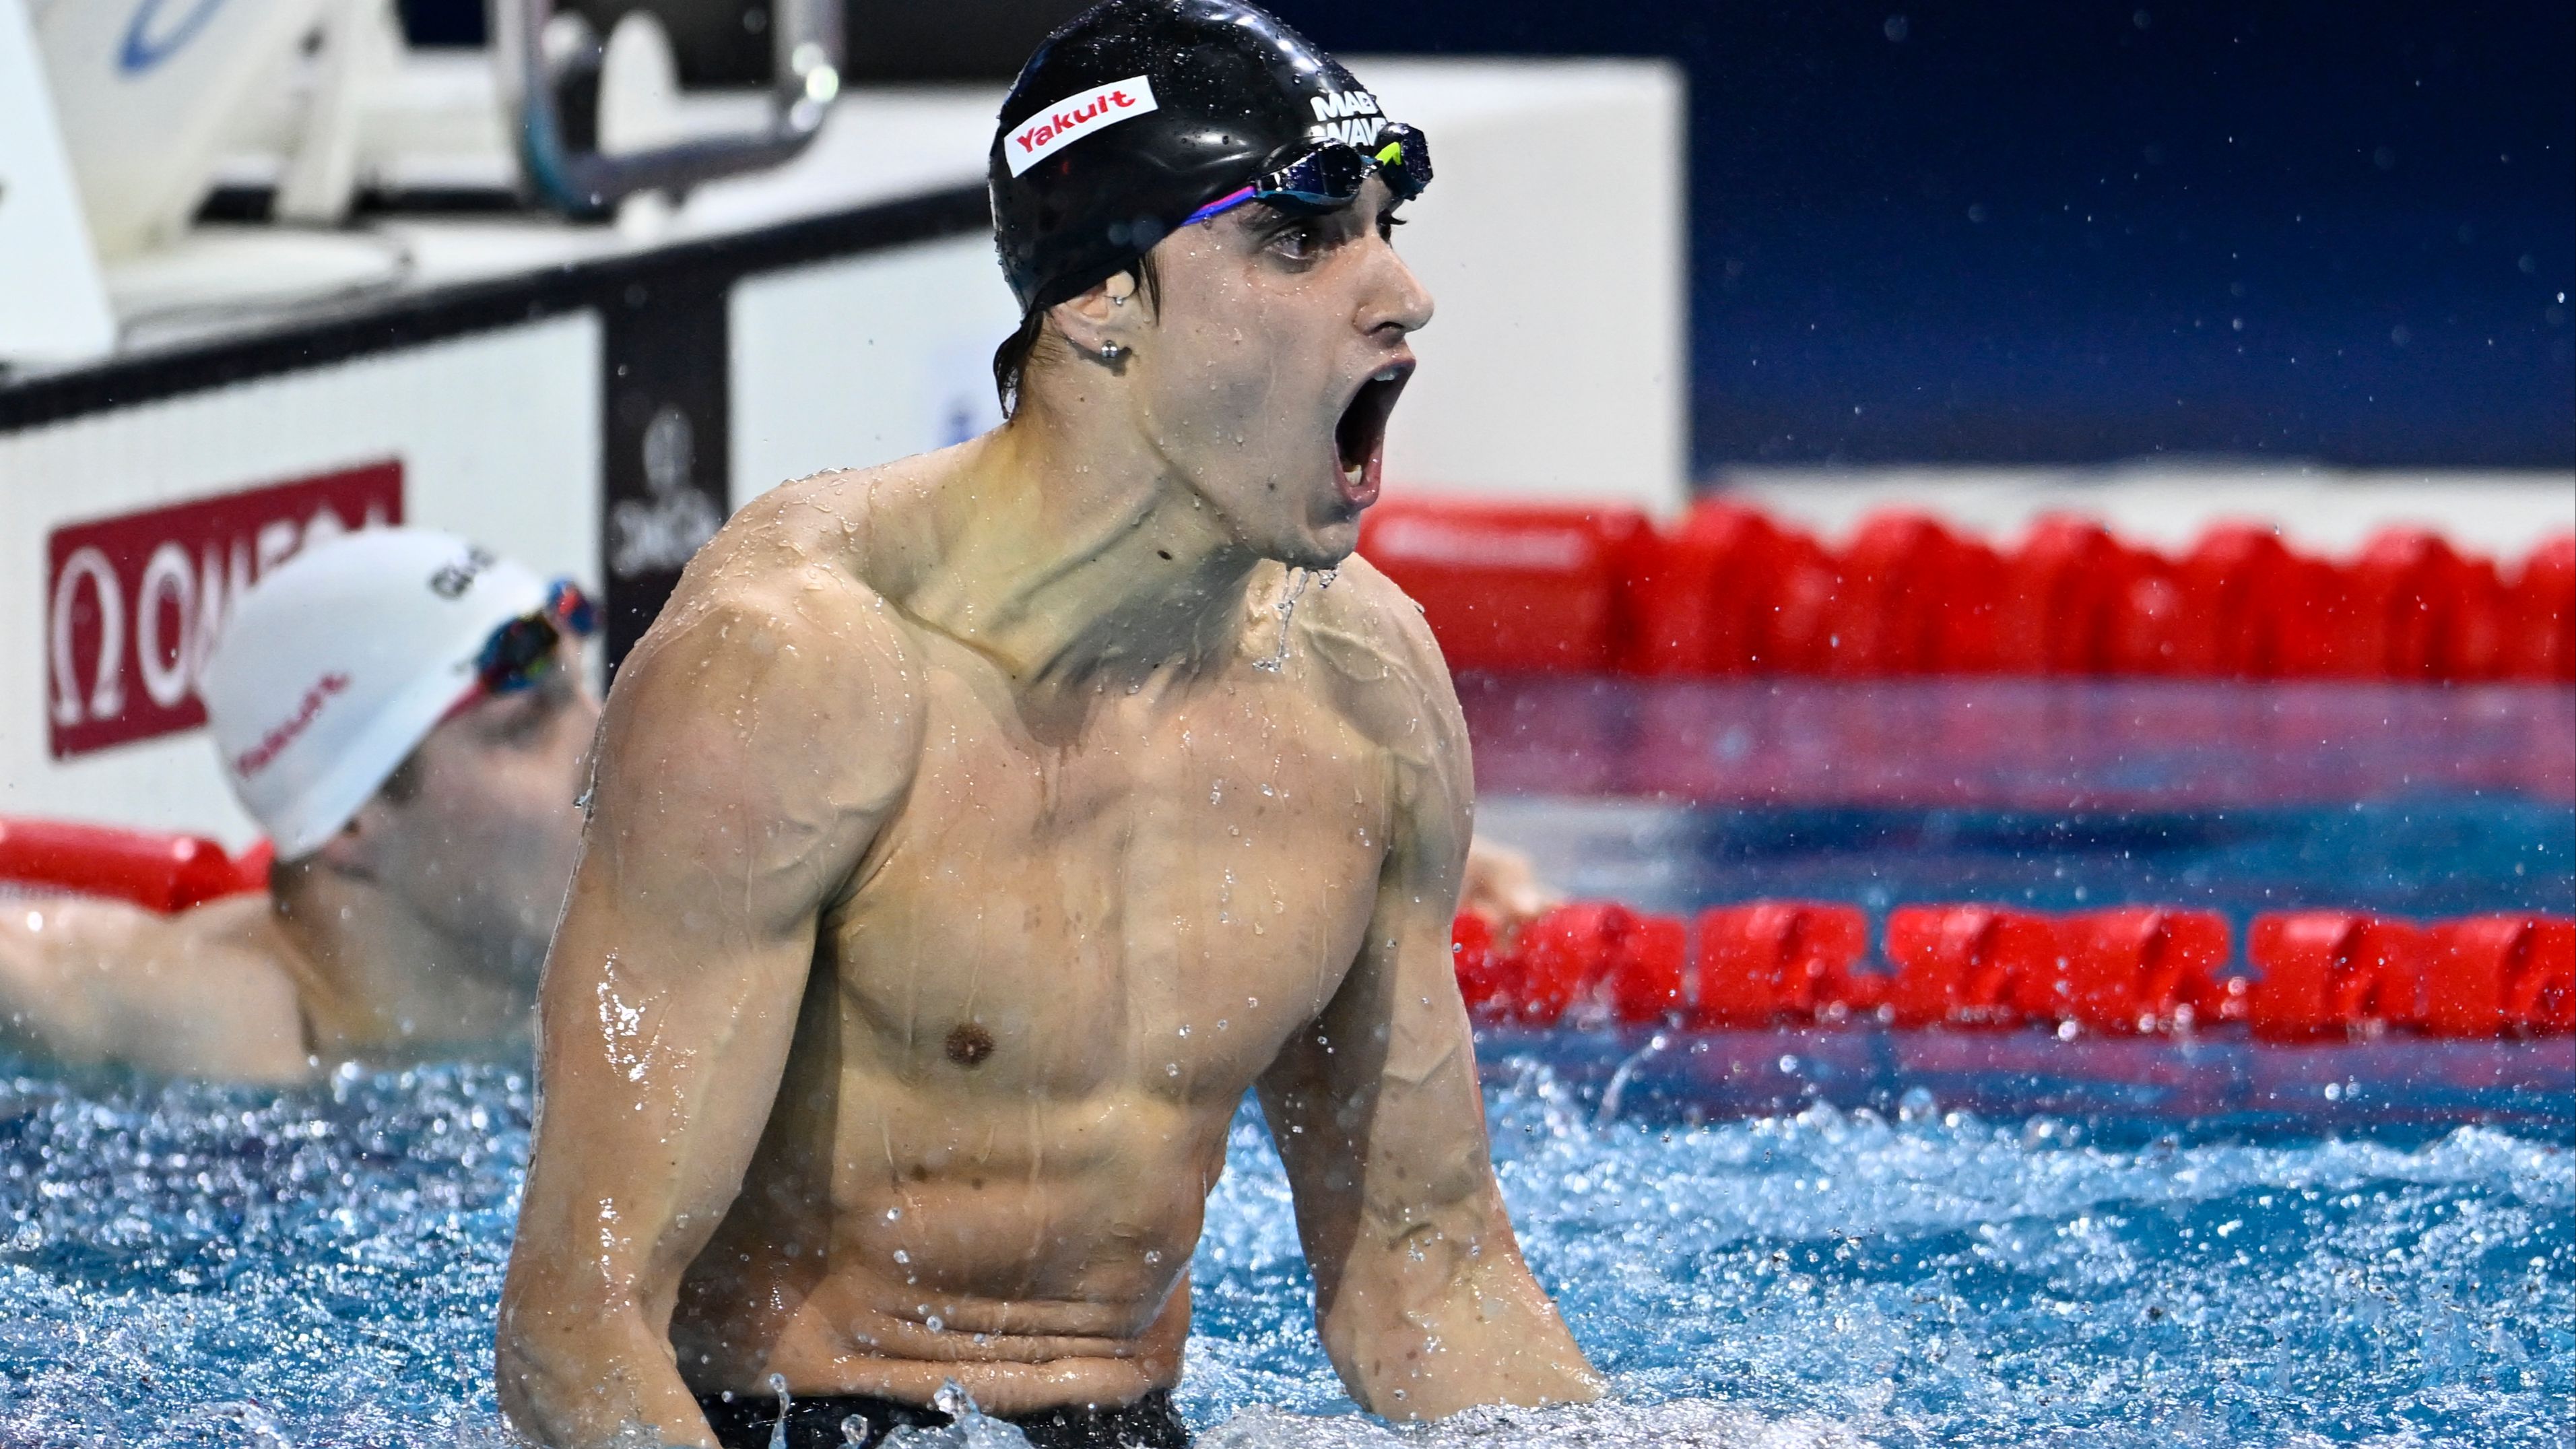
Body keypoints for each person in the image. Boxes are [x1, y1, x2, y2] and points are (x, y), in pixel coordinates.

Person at [495, 4, 1605, 1446]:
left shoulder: (1364, 687)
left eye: (1385, 225)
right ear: (1100, 301)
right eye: (1299, 237)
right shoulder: (800, 671)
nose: (1399, 291)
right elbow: (576, 1328)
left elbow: (1428, 1278)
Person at [0, 528, 601, 1081]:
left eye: (587, 690)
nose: (609, 744)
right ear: (351, 820)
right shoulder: (218, 1027)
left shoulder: (625, 995)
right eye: (526, 726)